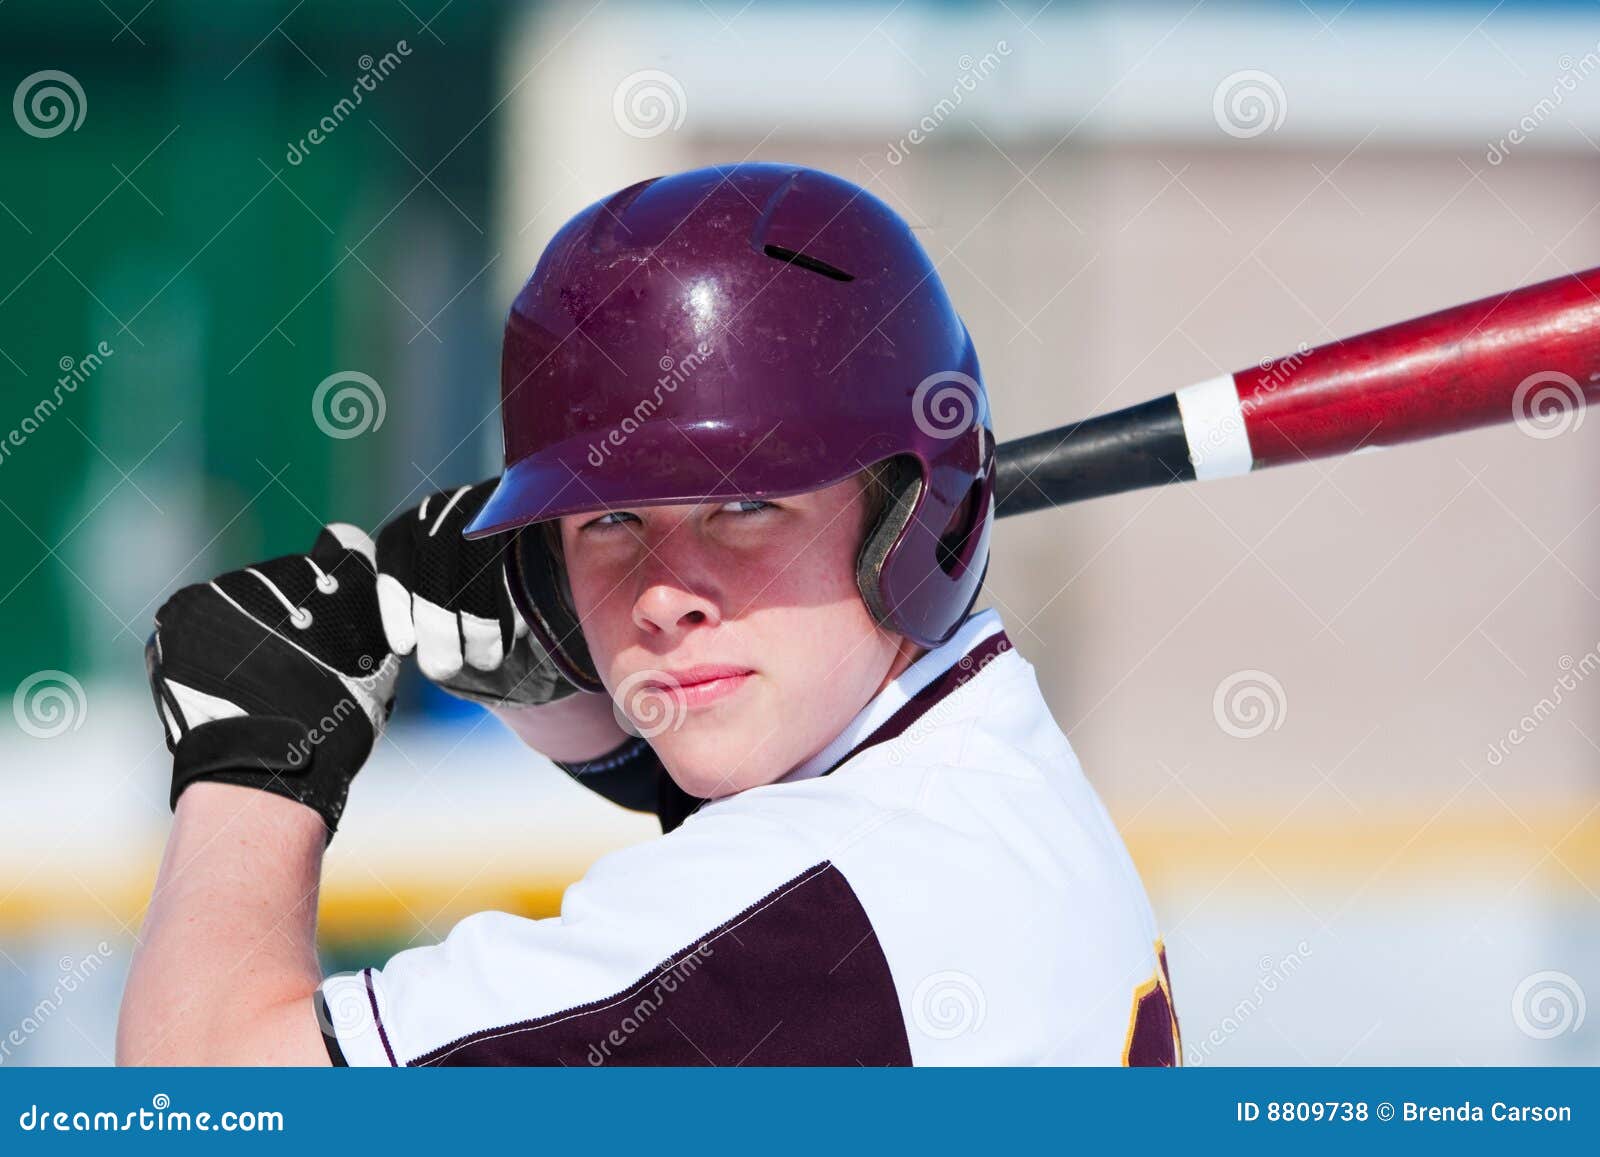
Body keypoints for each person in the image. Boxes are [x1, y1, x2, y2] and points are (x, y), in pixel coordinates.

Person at [117, 163, 1179, 1066]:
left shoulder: (803, 917)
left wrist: (256, 747)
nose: (665, 593)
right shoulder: (981, 758)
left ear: (908, 516)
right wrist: (580, 714)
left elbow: (202, 1097)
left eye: (745, 504)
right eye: (609, 519)